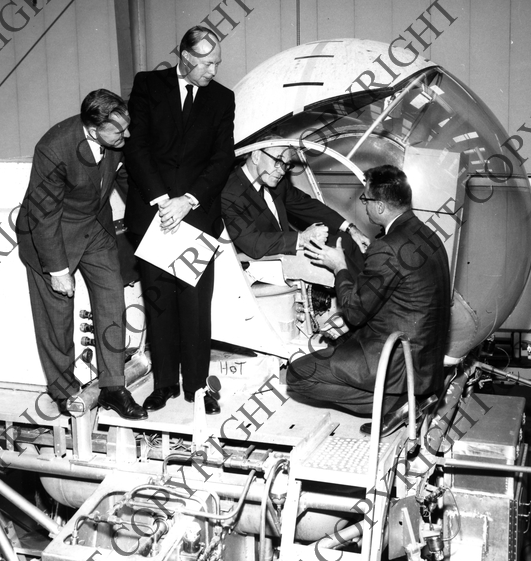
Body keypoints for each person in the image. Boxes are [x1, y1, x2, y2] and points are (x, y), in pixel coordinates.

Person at [287, 165, 451, 436]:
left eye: (365, 198)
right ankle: (409, 397)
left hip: (396, 361)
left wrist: (338, 266)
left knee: (298, 375)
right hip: (425, 363)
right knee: (337, 347)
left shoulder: (387, 247)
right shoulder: (429, 235)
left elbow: (354, 313)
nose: (363, 205)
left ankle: (398, 403)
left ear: (380, 207)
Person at [124, 26, 235, 415]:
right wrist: (162, 201)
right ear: (186, 58)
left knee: (195, 305)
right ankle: (165, 384)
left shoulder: (222, 99)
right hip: (153, 216)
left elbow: (222, 159)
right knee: (159, 305)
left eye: (216, 62)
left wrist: (187, 200)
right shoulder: (149, 86)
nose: (212, 70)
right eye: (206, 63)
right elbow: (135, 147)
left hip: (196, 215)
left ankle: (198, 387)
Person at [17, 89, 147, 420]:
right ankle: (63, 390)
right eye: (118, 131)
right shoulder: (54, 148)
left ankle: (114, 386)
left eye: (127, 126)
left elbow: (127, 181)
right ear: (92, 129)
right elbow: (43, 215)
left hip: (94, 226)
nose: (127, 135)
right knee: (58, 317)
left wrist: (155, 212)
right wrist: (58, 271)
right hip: (51, 235)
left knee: (111, 298)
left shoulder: (116, 138)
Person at [220, 135, 370, 260]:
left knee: (347, 243)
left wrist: (350, 229)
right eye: (278, 162)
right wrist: (302, 238)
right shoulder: (230, 193)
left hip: (287, 252)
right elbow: (253, 243)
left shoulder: (276, 182)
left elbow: (307, 206)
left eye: (286, 165)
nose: (282, 171)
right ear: (256, 156)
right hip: (259, 264)